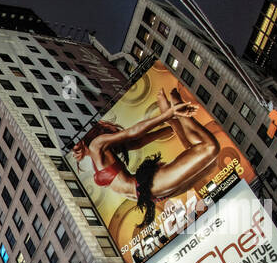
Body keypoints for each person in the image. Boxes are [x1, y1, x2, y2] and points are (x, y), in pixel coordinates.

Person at [70, 89, 220, 234]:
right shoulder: (98, 153)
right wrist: (167, 125)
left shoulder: (97, 145)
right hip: (151, 193)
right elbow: (137, 142)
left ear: (82, 137)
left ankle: (176, 109)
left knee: (209, 151)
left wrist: (166, 116)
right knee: (206, 160)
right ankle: (174, 119)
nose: (73, 150)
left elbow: (132, 134)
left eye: (73, 144)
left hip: (150, 186)